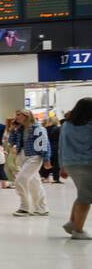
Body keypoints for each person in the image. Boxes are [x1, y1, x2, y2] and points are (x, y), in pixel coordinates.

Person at [58, 98, 92, 239]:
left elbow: (61, 146)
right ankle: (78, 231)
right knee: (86, 198)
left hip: (70, 164)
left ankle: (72, 223)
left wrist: (62, 166)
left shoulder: (66, 125)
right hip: (88, 164)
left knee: (82, 194)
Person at [11, 108, 50, 217]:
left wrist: (46, 159)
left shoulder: (38, 128)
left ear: (26, 116)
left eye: (19, 114)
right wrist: (12, 129)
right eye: (16, 115)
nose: (16, 117)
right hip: (22, 156)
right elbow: (11, 142)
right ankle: (42, 208)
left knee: (20, 180)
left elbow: (45, 144)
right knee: (35, 183)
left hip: (34, 157)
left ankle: (25, 207)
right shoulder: (19, 129)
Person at [42, 115, 62, 183]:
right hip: (56, 147)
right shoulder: (58, 129)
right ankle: (56, 178)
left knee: (47, 162)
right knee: (56, 164)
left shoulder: (45, 129)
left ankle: (45, 177)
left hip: (47, 147)